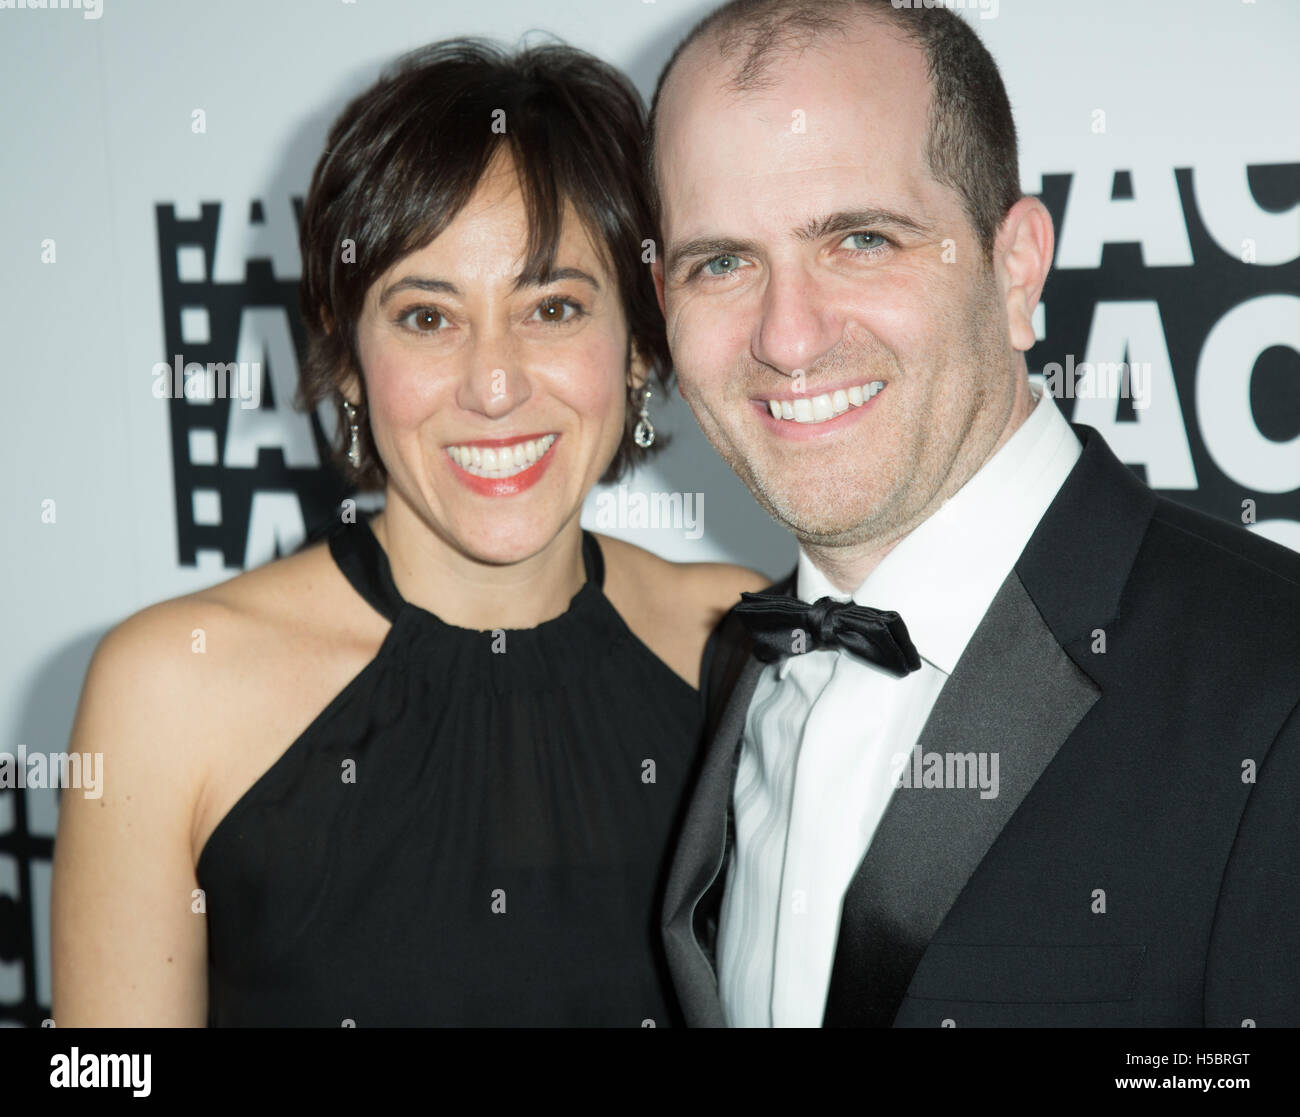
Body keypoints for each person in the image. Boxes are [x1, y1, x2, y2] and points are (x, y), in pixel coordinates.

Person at [50, 38, 766, 1027]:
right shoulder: (170, 689)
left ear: (641, 346)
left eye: (553, 307)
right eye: (427, 318)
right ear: (346, 358)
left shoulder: (744, 647)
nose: (494, 384)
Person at [648, 0, 1300, 1026]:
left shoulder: (1274, 684)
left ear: (1014, 266)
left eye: (861, 239)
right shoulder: (735, 665)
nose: (787, 337)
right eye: (721, 262)